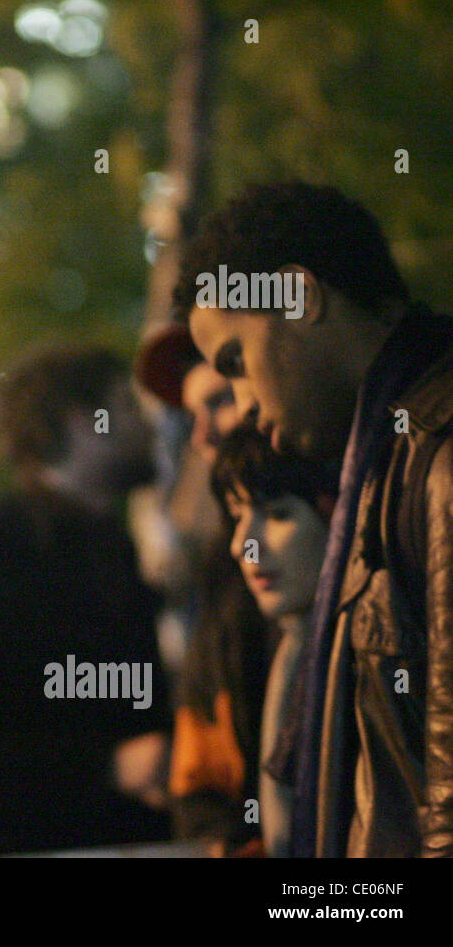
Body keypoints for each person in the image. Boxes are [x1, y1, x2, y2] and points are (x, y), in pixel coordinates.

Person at [177, 180, 453, 857]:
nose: (239, 404)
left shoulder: (436, 452)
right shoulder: (390, 461)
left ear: (298, 299)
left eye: (236, 362)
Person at [0, 342, 171, 855]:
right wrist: (107, 766)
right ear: (81, 421)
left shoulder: (123, 551)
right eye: (128, 405)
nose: (149, 424)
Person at [137, 323, 269, 853]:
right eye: (190, 415)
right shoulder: (223, 556)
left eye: (219, 401)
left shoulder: (324, 539)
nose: (201, 436)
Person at [210, 426, 336, 856]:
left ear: (338, 512)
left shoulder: (366, 657)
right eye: (237, 513)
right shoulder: (288, 647)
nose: (242, 545)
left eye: (279, 513)